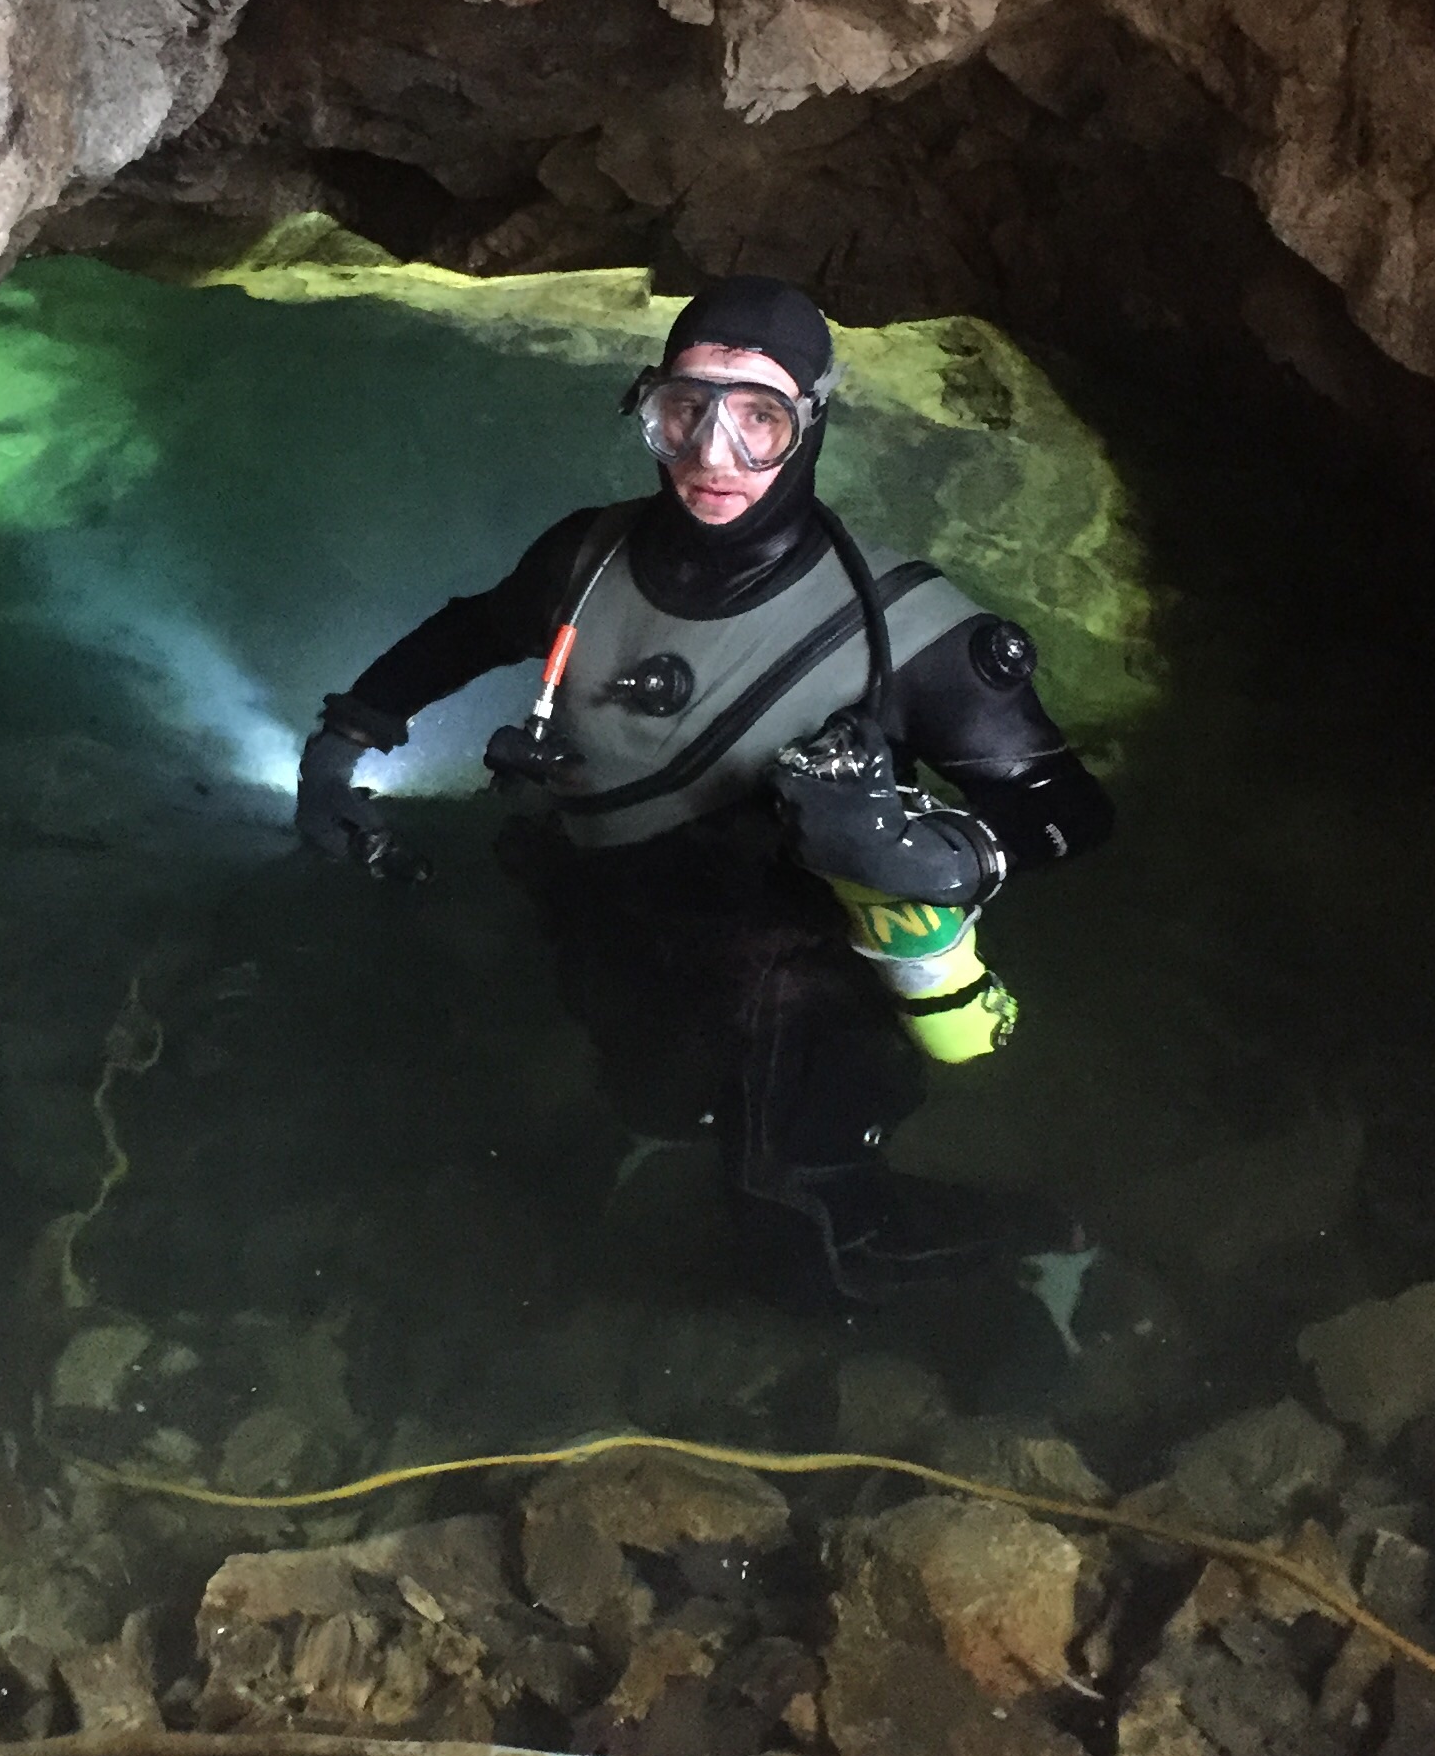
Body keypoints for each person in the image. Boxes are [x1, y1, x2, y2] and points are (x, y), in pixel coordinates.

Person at [294, 276, 1114, 1307]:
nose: (711, 457)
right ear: (650, 408)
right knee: (652, 1106)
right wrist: (342, 745)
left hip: (796, 985)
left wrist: (941, 857)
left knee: (805, 1249)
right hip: (624, 927)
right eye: (684, 411)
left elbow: (1067, 809)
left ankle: (1044, 1246)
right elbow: (470, 632)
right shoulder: (587, 559)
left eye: (759, 419)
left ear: (811, 425)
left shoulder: (910, 632)